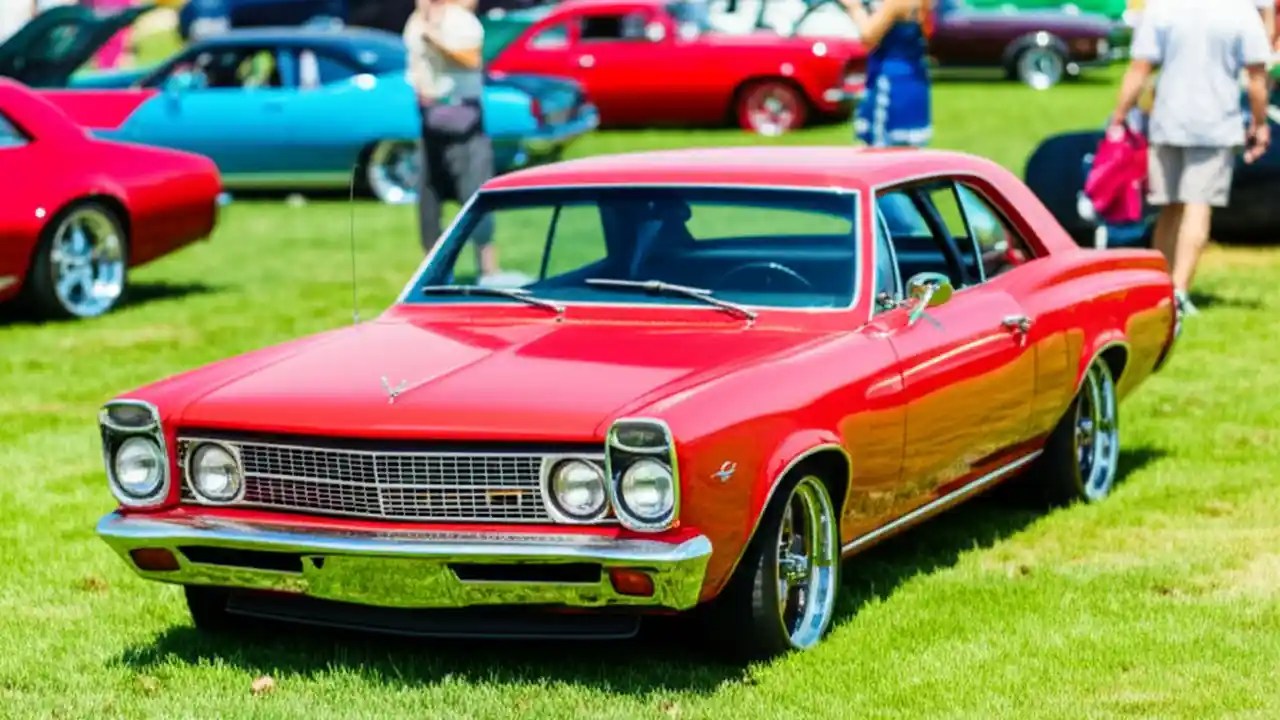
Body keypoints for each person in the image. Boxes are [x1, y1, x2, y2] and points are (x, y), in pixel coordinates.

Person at [1109, 0, 1271, 317]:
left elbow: (1139, 68)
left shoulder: (1162, 7)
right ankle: (1179, 291)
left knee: (1169, 206)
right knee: (1198, 205)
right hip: (1216, 123)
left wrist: (1119, 116)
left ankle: (1157, 288)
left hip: (1167, 120)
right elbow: (1256, 77)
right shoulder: (1240, 11)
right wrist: (1260, 123)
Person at [404, 0, 501, 281]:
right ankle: (432, 273)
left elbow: (471, 59)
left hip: (463, 118)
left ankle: (488, 270)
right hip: (430, 117)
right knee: (429, 196)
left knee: (476, 192)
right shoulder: (415, 22)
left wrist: (435, 39)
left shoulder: (461, 22)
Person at [838, 0, 932, 147]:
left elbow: (868, 37)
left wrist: (855, 8)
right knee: (910, 151)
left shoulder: (895, 3)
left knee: (881, 148)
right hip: (914, 79)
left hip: (890, 83)